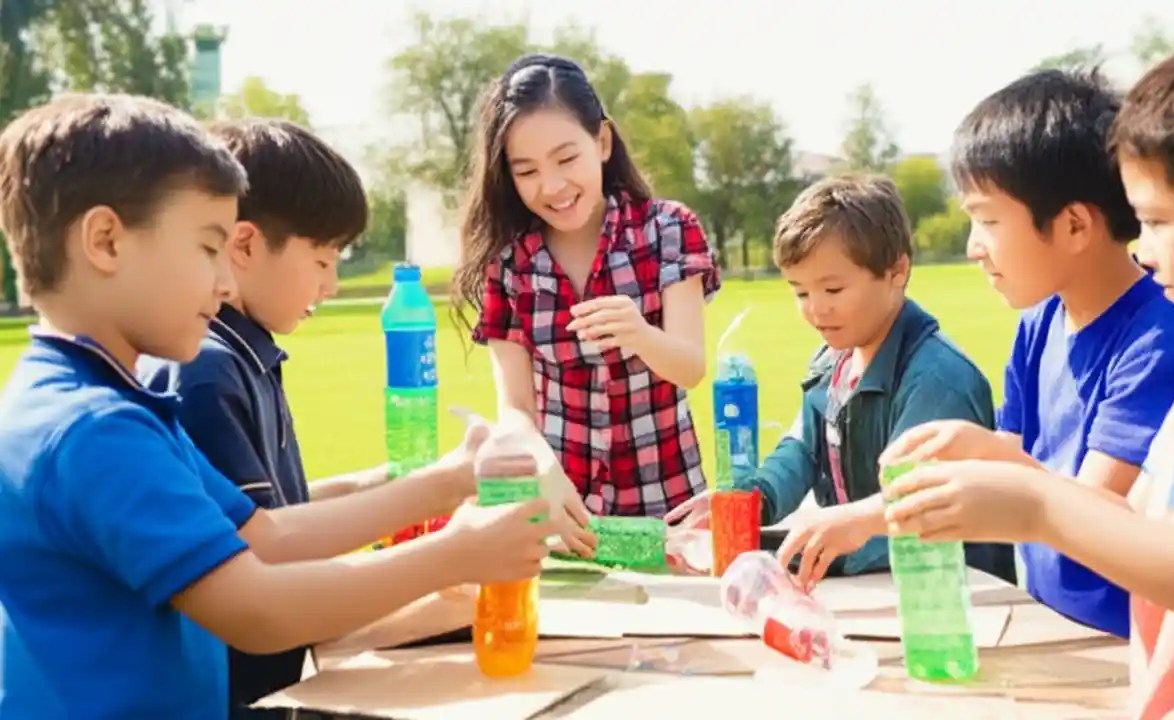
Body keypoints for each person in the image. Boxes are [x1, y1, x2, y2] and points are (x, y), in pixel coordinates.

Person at [0, 93, 551, 719]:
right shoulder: (92, 429)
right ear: (105, 241)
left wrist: (446, 485)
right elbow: (257, 610)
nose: (223, 280)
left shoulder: (109, 402)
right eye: (208, 248)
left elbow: (267, 533)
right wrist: (456, 555)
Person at [881, 31, 1174, 719]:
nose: (1143, 252)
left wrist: (1036, 504)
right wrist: (999, 475)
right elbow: (1128, 520)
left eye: (1154, 222)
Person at [878, 67, 1174, 638]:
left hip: (1120, 640)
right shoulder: (1041, 322)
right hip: (1048, 622)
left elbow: (1096, 510)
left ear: (1075, 224)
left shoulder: (1160, 335)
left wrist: (989, 458)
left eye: (986, 220)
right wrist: (870, 515)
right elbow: (1017, 451)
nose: (973, 248)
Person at [134, 118, 440, 711]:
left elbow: (273, 516)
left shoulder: (246, 355)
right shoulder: (205, 370)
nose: (329, 286)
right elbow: (266, 555)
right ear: (245, 246)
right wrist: (439, 576)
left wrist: (398, 485)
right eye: (323, 261)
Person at [666, 175, 1016, 585]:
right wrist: (748, 505)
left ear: (896, 271)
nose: (816, 310)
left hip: (957, 604)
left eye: (832, 289)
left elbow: (915, 515)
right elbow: (801, 451)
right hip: (872, 593)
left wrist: (794, 554)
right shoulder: (832, 361)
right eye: (800, 293)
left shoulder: (938, 381)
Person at [457, 53, 718, 523]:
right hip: (562, 515)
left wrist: (638, 333)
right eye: (527, 171)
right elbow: (516, 408)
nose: (552, 186)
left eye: (566, 158)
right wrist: (543, 471)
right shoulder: (510, 265)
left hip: (670, 514)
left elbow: (691, 367)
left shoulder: (667, 230)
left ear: (601, 141)